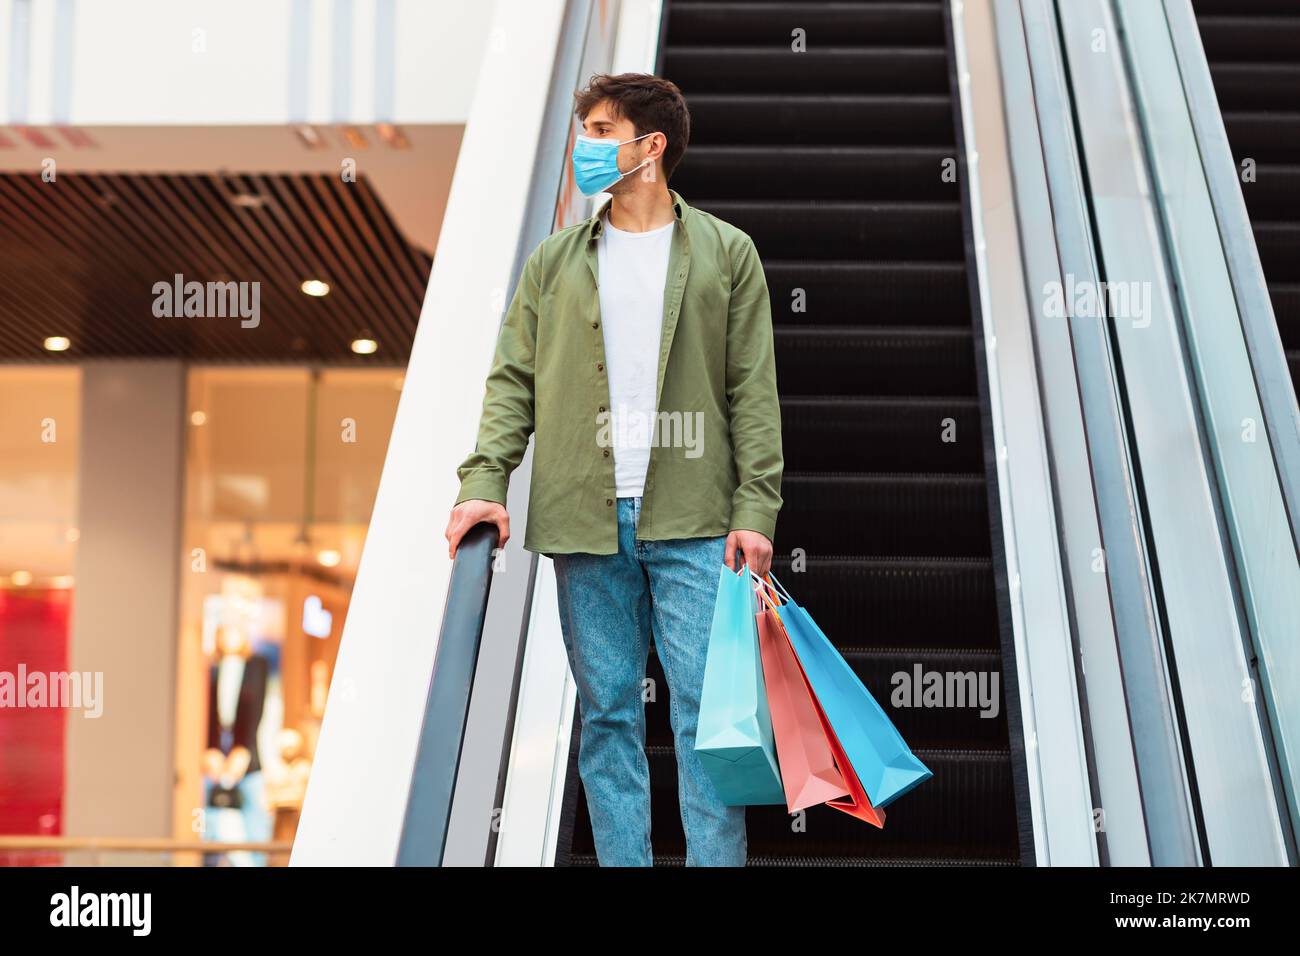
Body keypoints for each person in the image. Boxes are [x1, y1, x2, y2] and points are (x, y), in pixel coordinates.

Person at [445, 72, 783, 867]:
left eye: (600, 131)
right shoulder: (555, 262)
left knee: (711, 718)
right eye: (585, 131)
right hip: (586, 519)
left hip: (696, 520)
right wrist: (483, 483)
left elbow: (752, 393)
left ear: (650, 146)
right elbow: (512, 383)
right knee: (606, 719)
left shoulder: (727, 255)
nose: (584, 147)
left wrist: (755, 509)